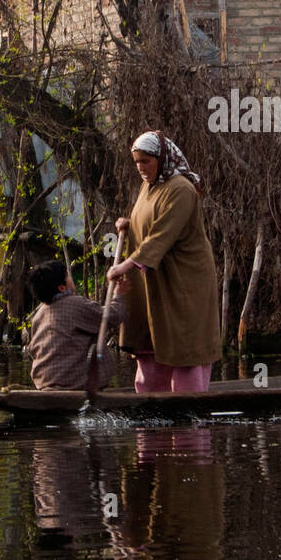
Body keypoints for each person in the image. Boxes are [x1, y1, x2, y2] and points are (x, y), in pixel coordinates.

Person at [107, 130, 221, 392]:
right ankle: (151, 408)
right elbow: (147, 223)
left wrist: (124, 266)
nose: (140, 168)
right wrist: (129, 223)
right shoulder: (150, 186)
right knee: (149, 344)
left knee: (183, 345)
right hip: (153, 279)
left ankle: (188, 410)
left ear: (162, 159)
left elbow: (162, 234)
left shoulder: (181, 189)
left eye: (145, 161)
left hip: (183, 280)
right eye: (137, 162)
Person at [24, 259, 129, 391]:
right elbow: (113, 316)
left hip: (43, 383)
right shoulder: (76, 304)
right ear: (62, 288)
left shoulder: (38, 315)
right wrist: (118, 295)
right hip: (74, 384)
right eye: (67, 276)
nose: (70, 278)